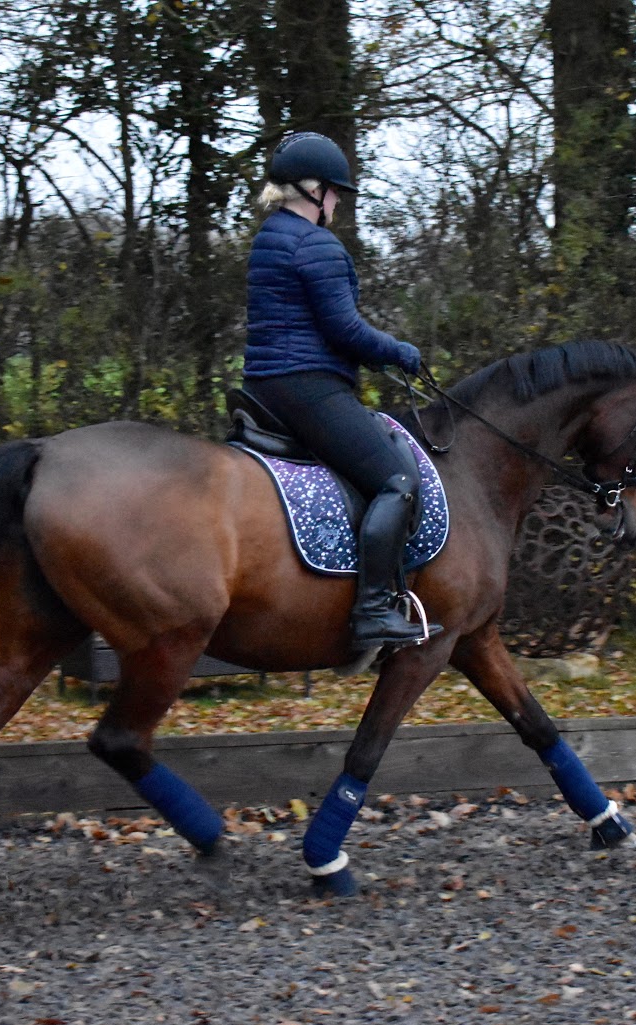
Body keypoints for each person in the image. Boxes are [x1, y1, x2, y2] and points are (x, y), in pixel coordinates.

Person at [242, 131, 442, 651]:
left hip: (264, 386)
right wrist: (400, 351)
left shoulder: (270, 235)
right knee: (397, 479)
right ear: (312, 190)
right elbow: (345, 330)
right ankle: (374, 608)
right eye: (333, 192)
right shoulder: (314, 243)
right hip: (308, 389)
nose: (335, 202)